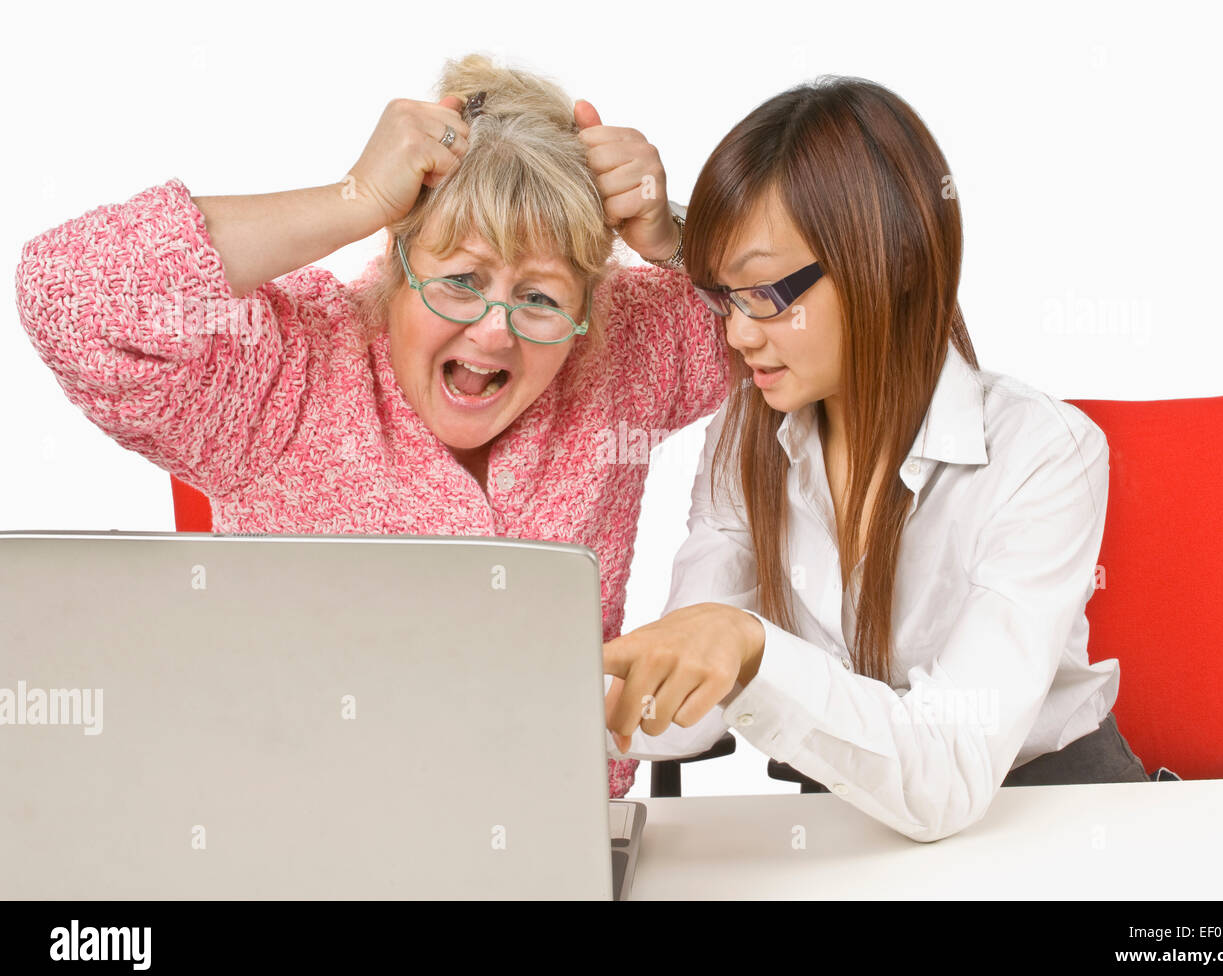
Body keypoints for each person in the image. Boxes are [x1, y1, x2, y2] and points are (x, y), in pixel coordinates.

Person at [14, 53, 728, 800]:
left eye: (541, 297)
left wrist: (675, 237)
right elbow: (69, 294)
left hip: (557, 836)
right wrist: (351, 197)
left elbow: (790, 325)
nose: (493, 334)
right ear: (394, 254)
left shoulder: (615, 354)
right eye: (460, 280)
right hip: (302, 835)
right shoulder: (286, 371)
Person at [602, 76, 1151, 841]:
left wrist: (751, 648)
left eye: (763, 294)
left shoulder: (1044, 454)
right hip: (855, 816)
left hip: (1055, 818)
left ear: (888, 267)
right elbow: (685, 714)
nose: (736, 335)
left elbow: (948, 770)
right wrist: (548, 699)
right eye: (723, 296)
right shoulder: (746, 433)